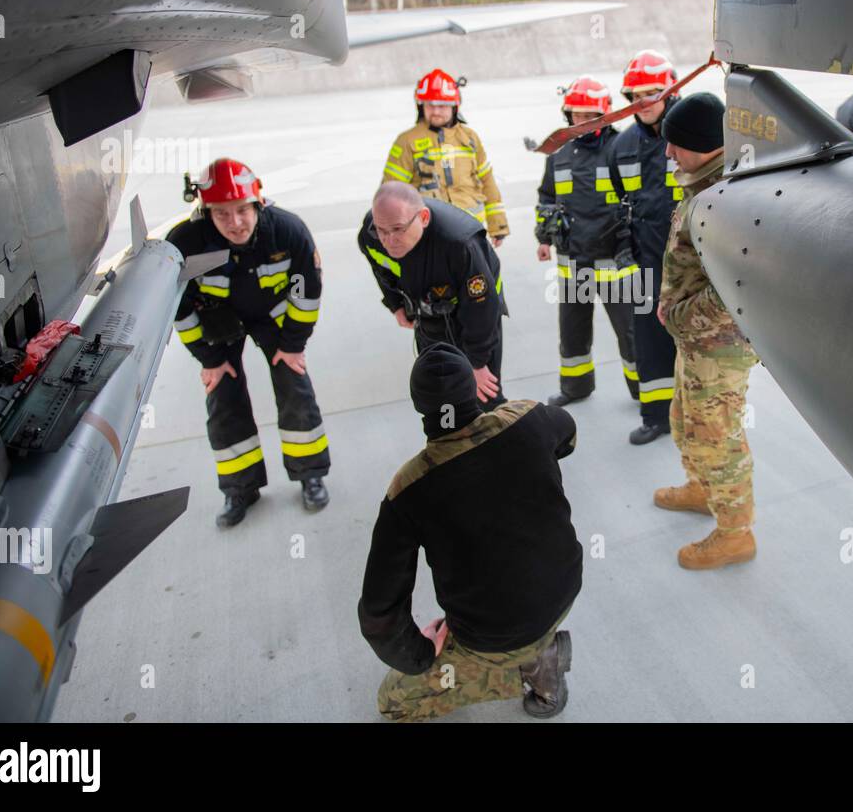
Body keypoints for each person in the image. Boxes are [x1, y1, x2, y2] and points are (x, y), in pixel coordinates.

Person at [358, 342, 582, 721]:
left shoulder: (408, 490)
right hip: (564, 588)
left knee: (393, 702)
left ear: (419, 406)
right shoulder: (530, 418)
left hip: (494, 633)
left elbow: (379, 615)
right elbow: (568, 436)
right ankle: (537, 648)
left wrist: (421, 654)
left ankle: (531, 669)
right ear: (473, 389)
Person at [167, 158, 329, 527]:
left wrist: (292, 346)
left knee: (294, 386)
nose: (235, 223)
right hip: (219, 321)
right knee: (223, 398)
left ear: (259, 203)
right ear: (205, 212)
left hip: (273, 317)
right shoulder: (185, 243)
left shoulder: (288, 231)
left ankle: (310, 475)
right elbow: (177, 308)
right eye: (222, 214)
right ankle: (240, 490)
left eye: (242, 210)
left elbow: (307, 295)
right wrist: (208, 359)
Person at [655, 93, 760, 570]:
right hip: (696, 341)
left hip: (718, 344)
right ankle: (702, 489)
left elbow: (737, 287)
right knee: (684, 419)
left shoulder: (725, 197)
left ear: (702, 143)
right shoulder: (703, 183)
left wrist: (677, 317)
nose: (669, 154)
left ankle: (735, 533)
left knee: (716, 434)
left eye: (676, 144)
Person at [536, 76, 639, 408]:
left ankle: (645, 392)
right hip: (573, 261)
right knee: (572, 331)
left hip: (615, 261)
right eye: (577, 115)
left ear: (604, 114)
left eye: (590, 115)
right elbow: (546, 197)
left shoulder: (623, 147)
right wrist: (543, 237)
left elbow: (639, 198)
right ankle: (575, 387)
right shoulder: (558, 154)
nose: (582, 121)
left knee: (631, 332)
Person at [358, 182, 506, 408]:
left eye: (398, 229)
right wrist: (396, 304)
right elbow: (382, 270)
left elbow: (482, 307)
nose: (389, 240)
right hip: (429, 310)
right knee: (438, 393)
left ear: (424, 218)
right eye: (382, 230)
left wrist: (476, 363)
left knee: (480, 398)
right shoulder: (371, 236)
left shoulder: (459, 243)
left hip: (473, 313)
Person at [609, 50, 681, 444]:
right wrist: (623, 254)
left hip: (691, 259)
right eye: (637, 96)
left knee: (692, 337)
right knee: (648, 339)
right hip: (643, 260)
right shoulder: (621, 146)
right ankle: (656, 416)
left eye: (653, 93)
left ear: (670, 91)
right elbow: (614, 207)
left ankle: (696, 413)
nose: (645, 103)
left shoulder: (694, 128)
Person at [382, 68, 509, 246]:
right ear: (421, 106)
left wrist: (498, 226)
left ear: (454, 106)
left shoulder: (470, 137)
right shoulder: (406, 141)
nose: (435, 111)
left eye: (442, 105)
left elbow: (487, 181)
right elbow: (392, 192)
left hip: (472, 231)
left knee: (478, 274)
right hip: (429, 234)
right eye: (430, 105)